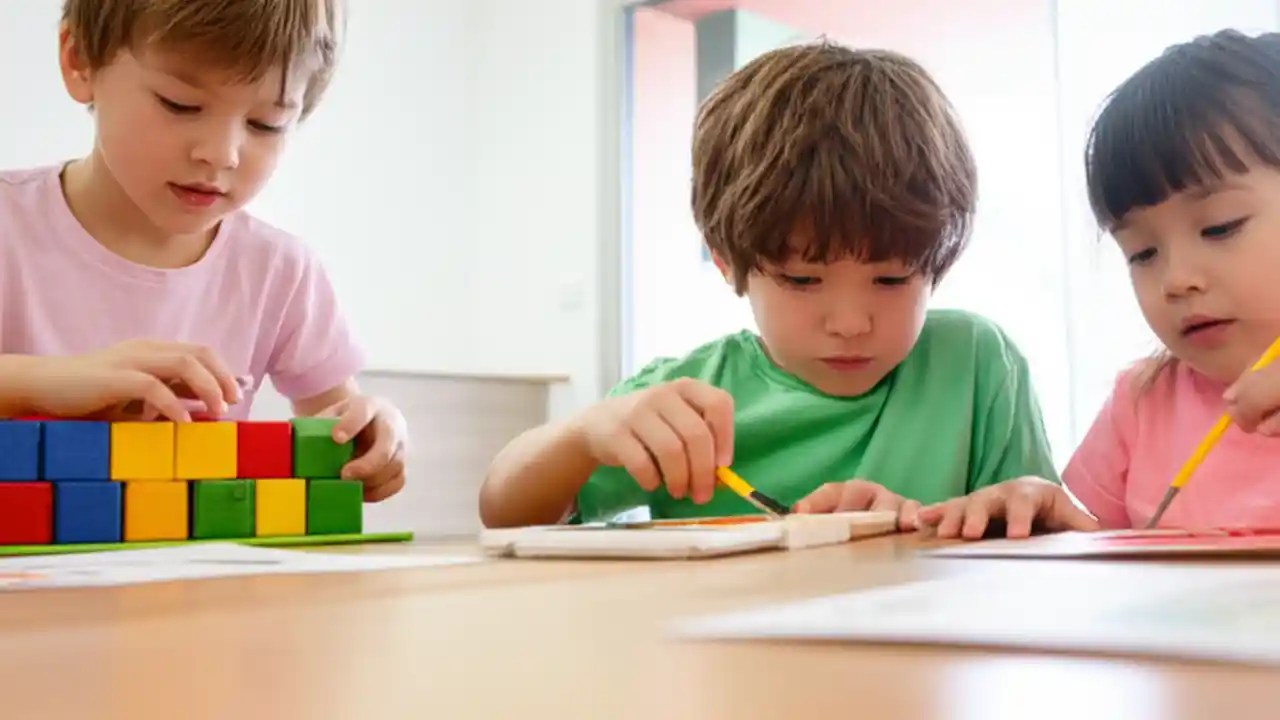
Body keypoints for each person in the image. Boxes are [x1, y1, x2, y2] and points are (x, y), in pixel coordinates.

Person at [480, 41, 1089, 537]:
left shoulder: (977, 364)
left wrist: (1019, 506)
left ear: (938, 264)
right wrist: (582, 435)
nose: (851, 321)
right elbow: (502, 512)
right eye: (803, 279)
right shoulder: (684, 398)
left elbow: (1029, 532)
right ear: (727, 263)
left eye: (892, 278)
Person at [0, 0, 405, 500]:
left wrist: (370, 433)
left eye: (266, 125)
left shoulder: (279, 271)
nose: (221, 153)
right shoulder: (9, 227)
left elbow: (337, 427)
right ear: (79, 59)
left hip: (198, 573)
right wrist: (44, 381)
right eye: (180, 104)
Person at [1058, 29, 1280, 530]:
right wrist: (1036, 515)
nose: (1175, 280)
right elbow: (1098, 559)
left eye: (1221, 227)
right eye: (1142, 254)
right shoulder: (1140, 402)